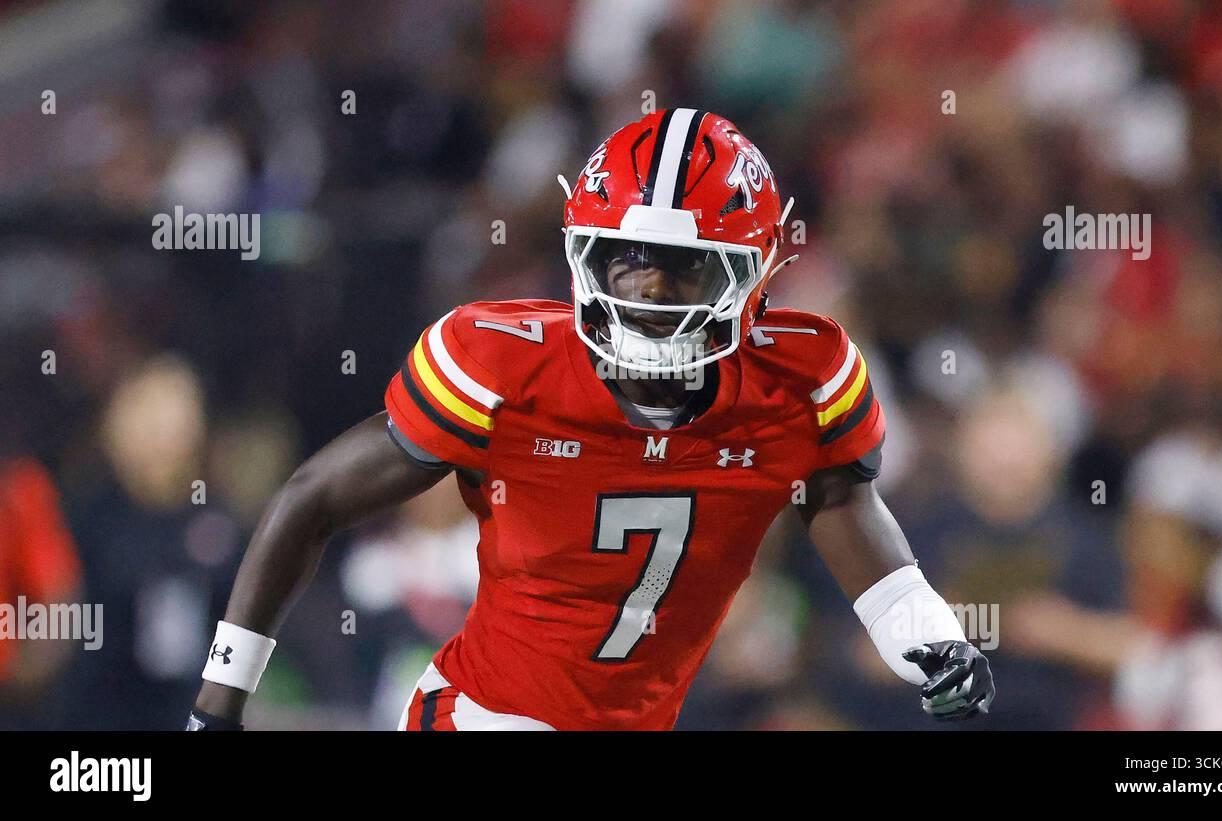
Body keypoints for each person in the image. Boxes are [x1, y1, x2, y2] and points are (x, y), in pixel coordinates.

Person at [186, 109, 994, 731]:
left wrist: (925, 634)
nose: (644, 287)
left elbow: (843, 501)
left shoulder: (800, 380)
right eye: (626, 257)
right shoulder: (504, 365)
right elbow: (310, 498)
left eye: (683, 265)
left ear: (756, 272)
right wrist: (217, 707)